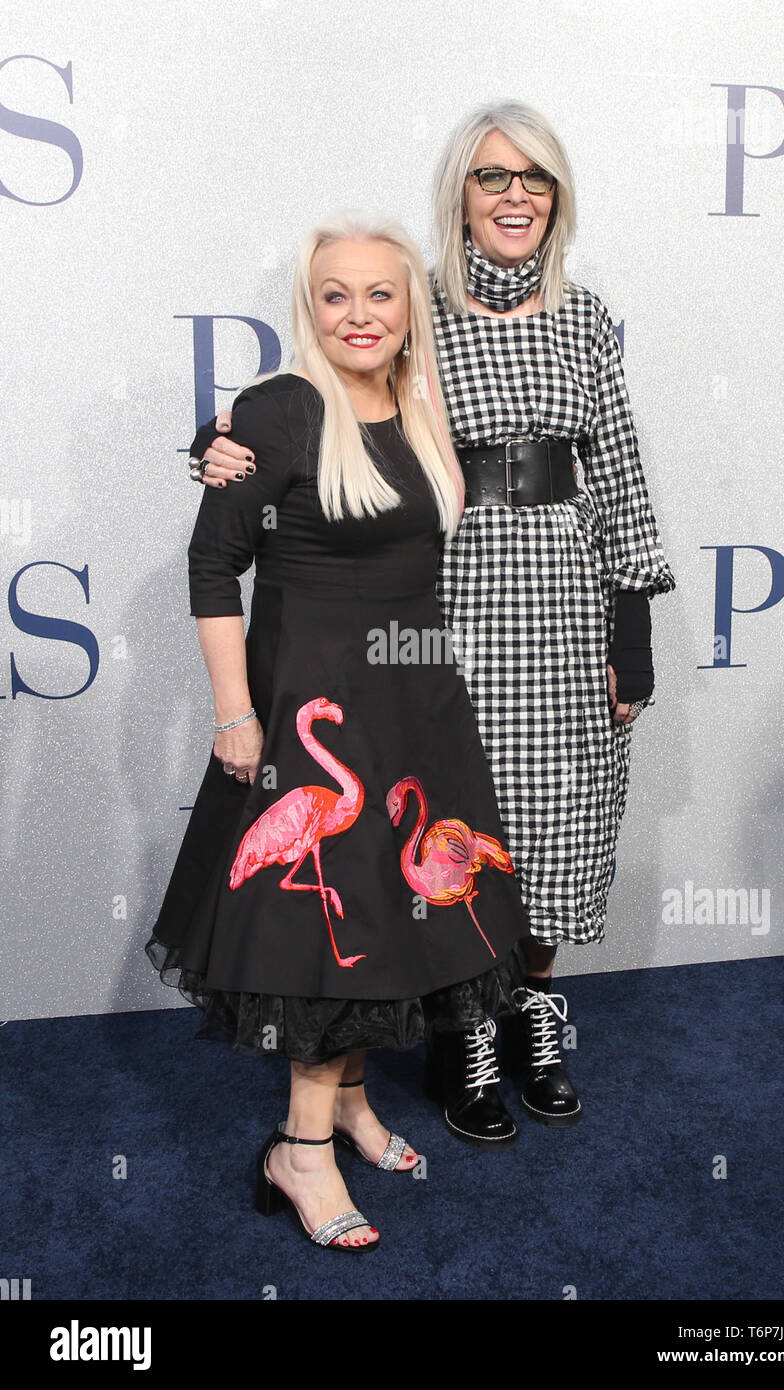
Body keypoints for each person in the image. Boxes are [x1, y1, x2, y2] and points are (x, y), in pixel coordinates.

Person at [187, 101, 676, 1148]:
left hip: (560, 587)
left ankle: (529, 1006)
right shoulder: (420, 310)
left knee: (554, 820)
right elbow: (323, 393)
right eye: (492, 177)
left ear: (557, 199)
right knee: (459, 822)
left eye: (534, 178)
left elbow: (619, 463)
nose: (514, 196)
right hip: (444, 597)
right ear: (458, 193)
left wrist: (626, 620)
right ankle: (464, 1030)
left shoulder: (584, 318)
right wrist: (217, 438)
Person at [147, 212, 530, 1251]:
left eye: (379, 293)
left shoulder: (418, 400)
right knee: (335, 925)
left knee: (396, 910)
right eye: (334, 293)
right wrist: (234, 712)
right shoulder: (278, 408)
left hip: (415, 702)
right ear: (307, 306)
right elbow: (212, 567)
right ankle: (298, 1148)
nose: (357, 314)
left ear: (411, 308)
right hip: (317, 702)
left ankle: (353, 1106)